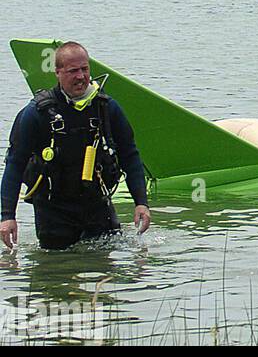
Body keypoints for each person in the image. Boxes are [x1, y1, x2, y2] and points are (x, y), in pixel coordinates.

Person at [1, 42, 150, 250]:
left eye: (84, 69)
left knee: (105, 273)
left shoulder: (106, 108)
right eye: (73, 71)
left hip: (97, 206)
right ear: (58, 73)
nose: (80, 76)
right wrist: (7, 217)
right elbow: (15, 164)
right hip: (53, 210)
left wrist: (141, 203)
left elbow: (130, 154)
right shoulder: (37, 113)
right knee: (54, 273)